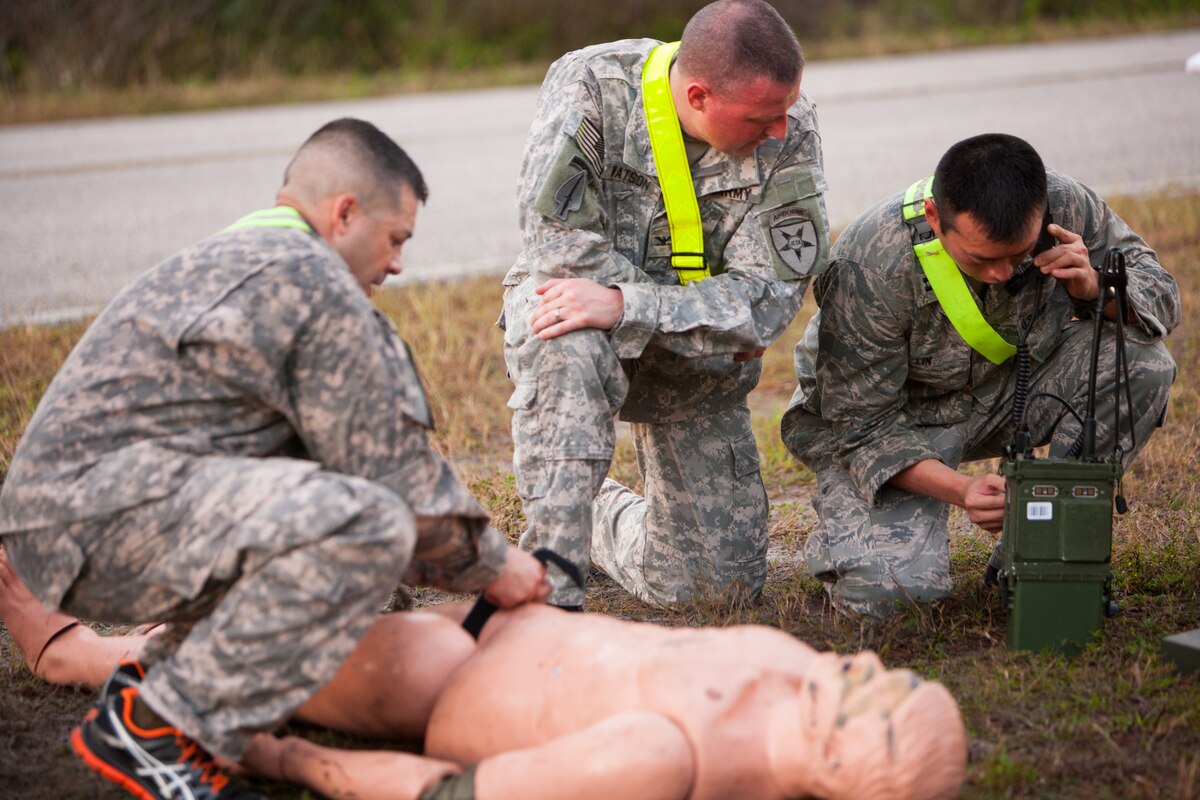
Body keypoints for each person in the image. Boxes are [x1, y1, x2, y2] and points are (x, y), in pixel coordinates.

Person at [0, 118, 549, 799]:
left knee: (342, 513)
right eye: (396, 238)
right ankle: (160, 727)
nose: (400, 262)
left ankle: (161, 685)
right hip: (95, 519)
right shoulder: (310, 283)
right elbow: (397, 479)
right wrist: (500, 567)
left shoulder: (240, 254)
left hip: (81, 511)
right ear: (343, 212)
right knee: (369, 519)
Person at [0, 549, 968, 800]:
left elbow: (445, 789)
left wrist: (283, 756)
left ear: (840, 762)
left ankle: (68, 648)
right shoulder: (807, 675)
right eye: (899, 673)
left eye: (874, 693)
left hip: (431, 682)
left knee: (236, 633)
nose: (872, 663)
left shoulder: (663, 761)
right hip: (502, 614)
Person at [503, 0, 830, 609]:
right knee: (563, 328)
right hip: (585, 323)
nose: (781, 129)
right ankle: (549, 587)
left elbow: (768, 299)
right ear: (700, 96)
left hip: (695, 361)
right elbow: (559, 248)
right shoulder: (592, 85)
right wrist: (670, 311)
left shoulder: (789, 123)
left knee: (712, 590)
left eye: (785, 111)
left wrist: (632, 306)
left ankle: (595, 514)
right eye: (762, 117)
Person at [781, 133, 1180, 620]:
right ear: (934, 217)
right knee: (893, 599)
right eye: (980, 259)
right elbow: (858, 427)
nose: (1001, 274)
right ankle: (847, 530)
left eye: (1017, 256)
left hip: (1004, 393)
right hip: (898, 425)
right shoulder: (870, 263)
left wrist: (1095, 284)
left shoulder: (1065, 203)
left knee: (1143, 363)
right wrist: (963, 491)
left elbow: (1162, 293)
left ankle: (1039, 545)